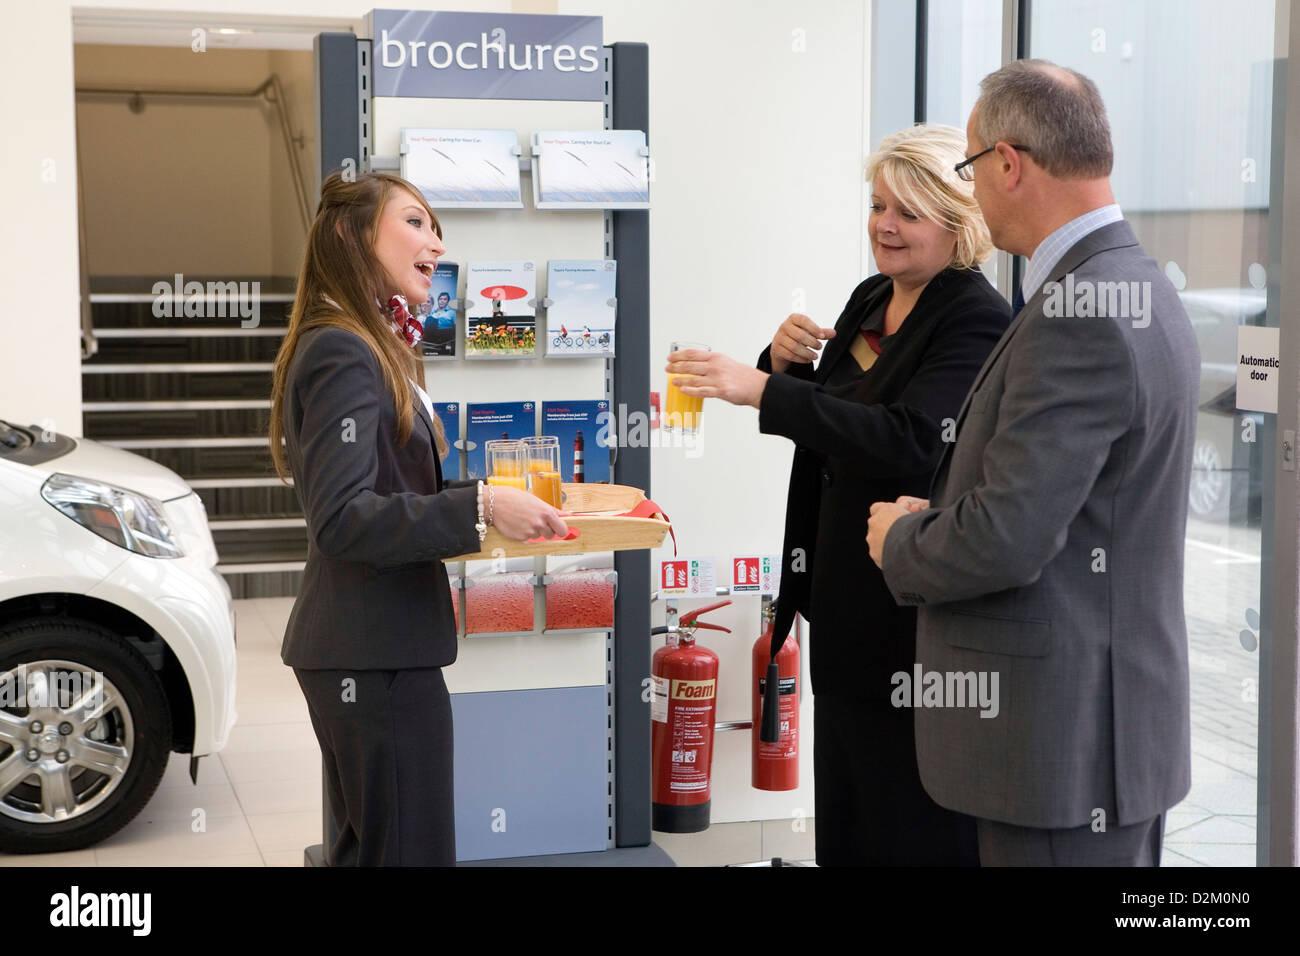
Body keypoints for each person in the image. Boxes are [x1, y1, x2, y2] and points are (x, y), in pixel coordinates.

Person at [867, 60, 1200, 866]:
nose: (974, 191)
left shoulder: (1075, 313)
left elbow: (1009, 536)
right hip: (1106, 737)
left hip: (1058, 750)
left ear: (1008, 164)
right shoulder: (1137, 285)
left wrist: (901, 542)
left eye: (972, 168)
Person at [666, 124, 1010, 865]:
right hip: (845, 599)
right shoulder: (871, 298)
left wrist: (760, 391)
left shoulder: (974, 318)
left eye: (908, 213)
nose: (884, 226)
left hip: (909, 615)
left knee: (907, 822)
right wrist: (782, 368)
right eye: (879, 204)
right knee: (849, 816)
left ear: (959, 223)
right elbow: (836, 424)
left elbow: (913, 437)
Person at [268, 171, 568, 866]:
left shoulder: (374, 345)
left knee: (378, 850)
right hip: (375, 655)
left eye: (436, 227)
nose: (435, 239)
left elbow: (388, 489)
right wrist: (483, 507)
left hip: (370, 650)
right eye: (415, 222)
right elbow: (342, 517)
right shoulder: (345, 349)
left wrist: (490, 497)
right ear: (351, 235)